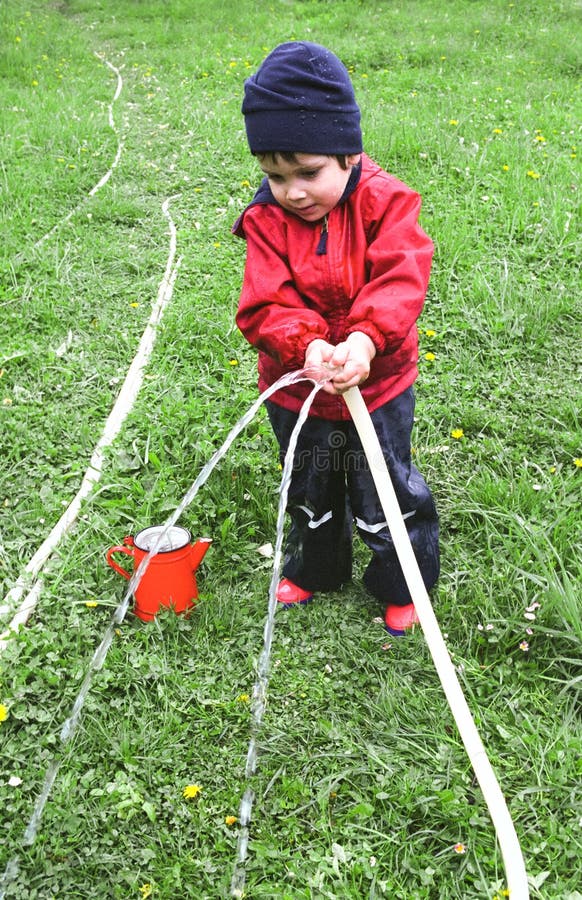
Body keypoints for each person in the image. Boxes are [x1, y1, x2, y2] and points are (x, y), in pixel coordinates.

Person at [232, 41, 439, 635]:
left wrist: (367, 340)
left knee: (384, 488)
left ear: (348, 154)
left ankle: (403, 583)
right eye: (274, 175)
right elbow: (263, 303)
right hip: (299, 390)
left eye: (308, 172)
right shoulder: (267, 220)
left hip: (379, 385)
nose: (292, 191)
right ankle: (318, 568)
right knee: (311, 482)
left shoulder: (386, 202)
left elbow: (401, 276)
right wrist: (306, 347)